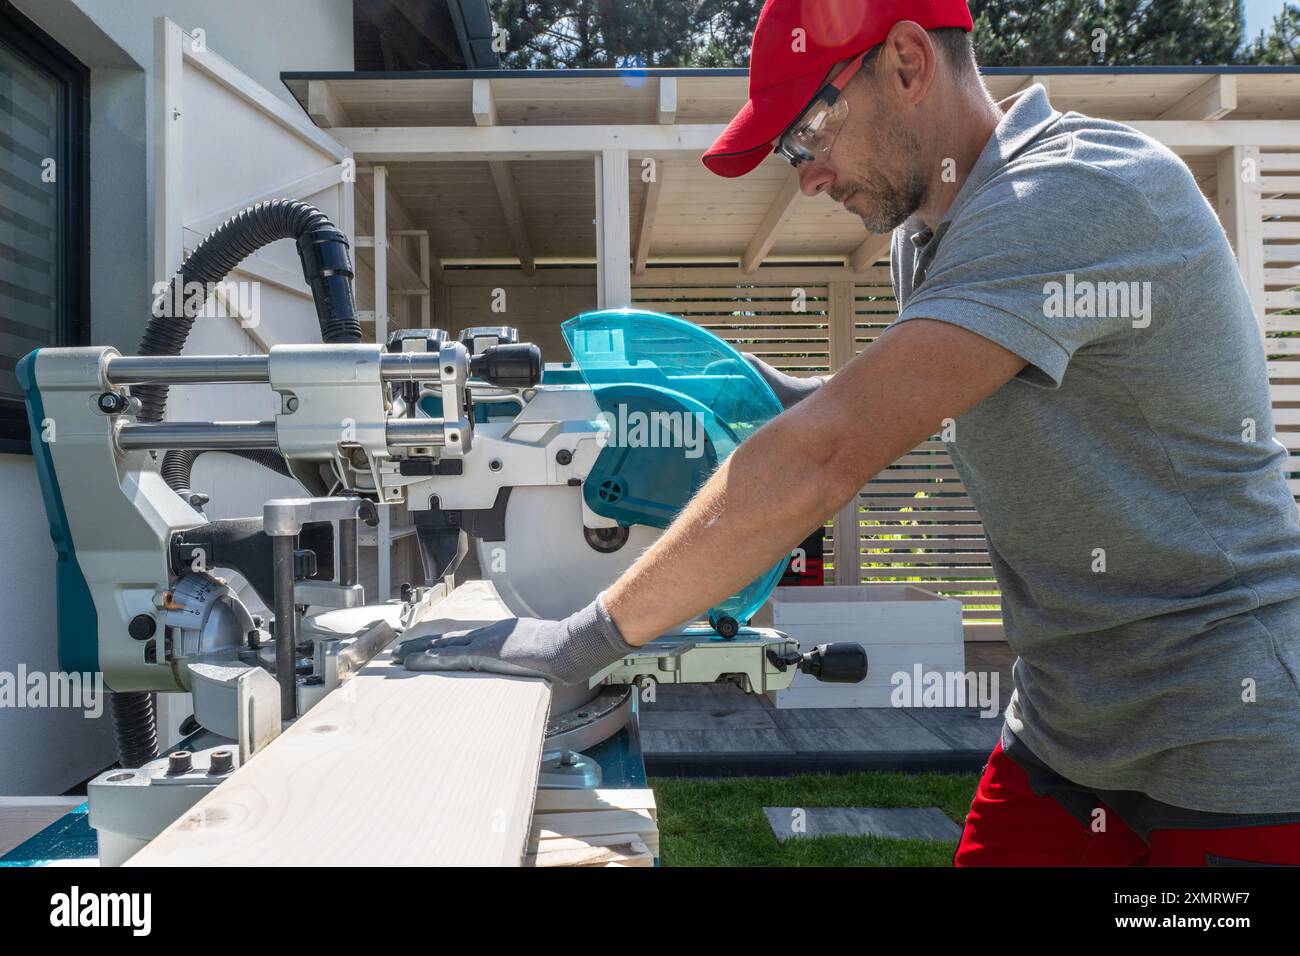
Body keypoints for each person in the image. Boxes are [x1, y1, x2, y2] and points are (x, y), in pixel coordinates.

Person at [398, 0, 1300, 866]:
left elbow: (827, 455)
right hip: (1069, 723)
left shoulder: (1068, 192)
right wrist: (741, 388)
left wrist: (580, 642)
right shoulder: (929, 236)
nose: (807, 175)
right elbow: (902, 391)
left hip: (1232, 725)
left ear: (905, 61)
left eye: (808, 132)